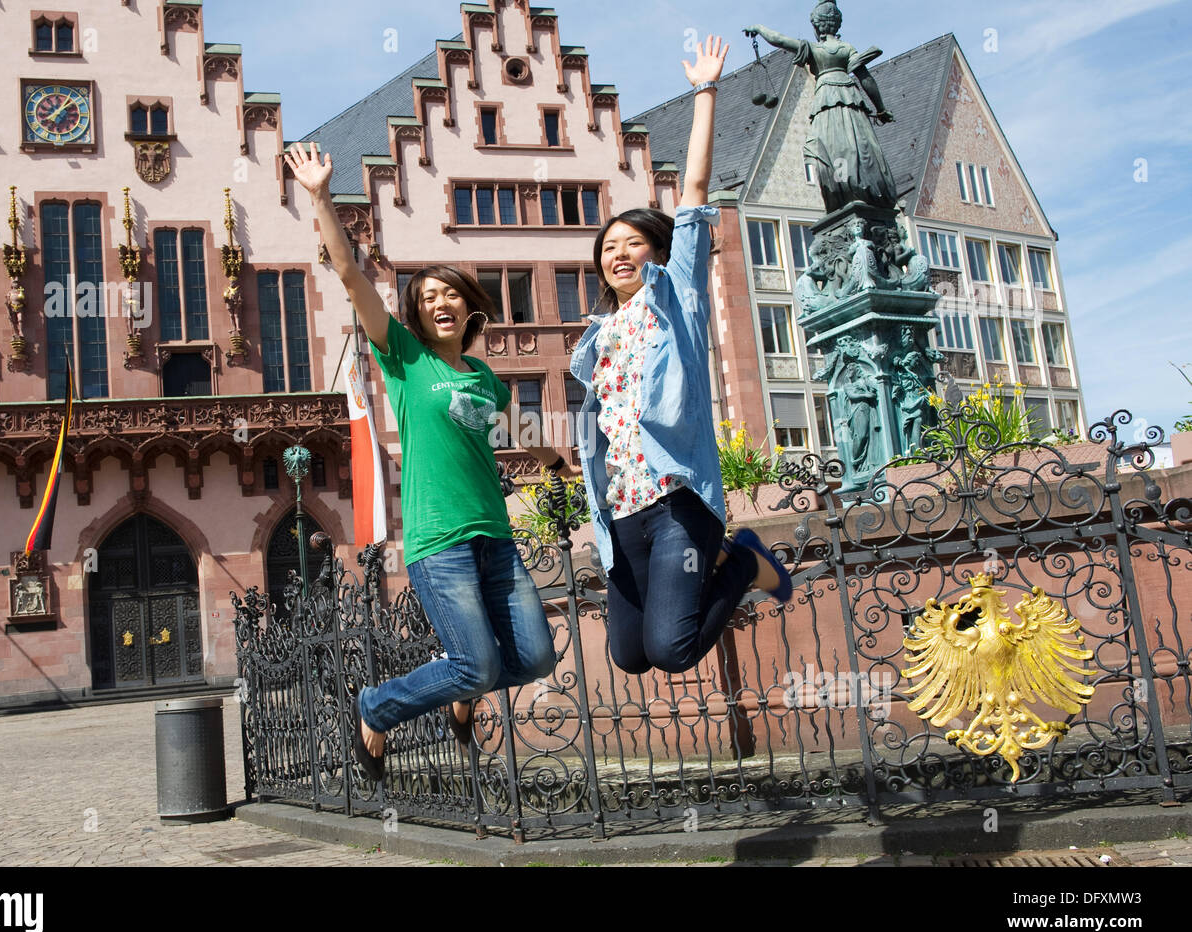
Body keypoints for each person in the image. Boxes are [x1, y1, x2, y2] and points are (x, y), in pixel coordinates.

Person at [286, 142, 575, 780]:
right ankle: (376, 706)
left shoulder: (484, 378)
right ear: (416, 314)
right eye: (427, 297)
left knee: (532, 659)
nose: (438, 302)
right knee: (475, 663)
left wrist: (561, 465)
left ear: (471, 307)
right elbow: (351, 275)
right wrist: (320, 195)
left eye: (450, 293)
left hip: (493, 539)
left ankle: (462, 696)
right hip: (438, 542)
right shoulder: (406, 361)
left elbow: (524, 430)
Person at [568, 35, 792, 677]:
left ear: (657, 253)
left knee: (671, 649)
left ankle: (744, 561)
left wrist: (705, 93)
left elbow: (693, 193)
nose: (617, 254)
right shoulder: (596, 337)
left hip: (675, 499)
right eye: (608, 247)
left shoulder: (678, 298)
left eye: (632, 242)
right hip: (621, 512)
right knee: (630, 655)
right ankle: (729, 563)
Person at [746, 1, 898, 213]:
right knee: (859, 144)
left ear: (816, 27)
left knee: (830, 145)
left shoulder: (814, 49)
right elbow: (867, 79)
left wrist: (760, 29)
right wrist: (881, 109)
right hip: (851, 99)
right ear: (837, 24)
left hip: (826, 102)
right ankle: (864, 186)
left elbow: (780, 40)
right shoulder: (846, 49)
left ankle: (841, 190)